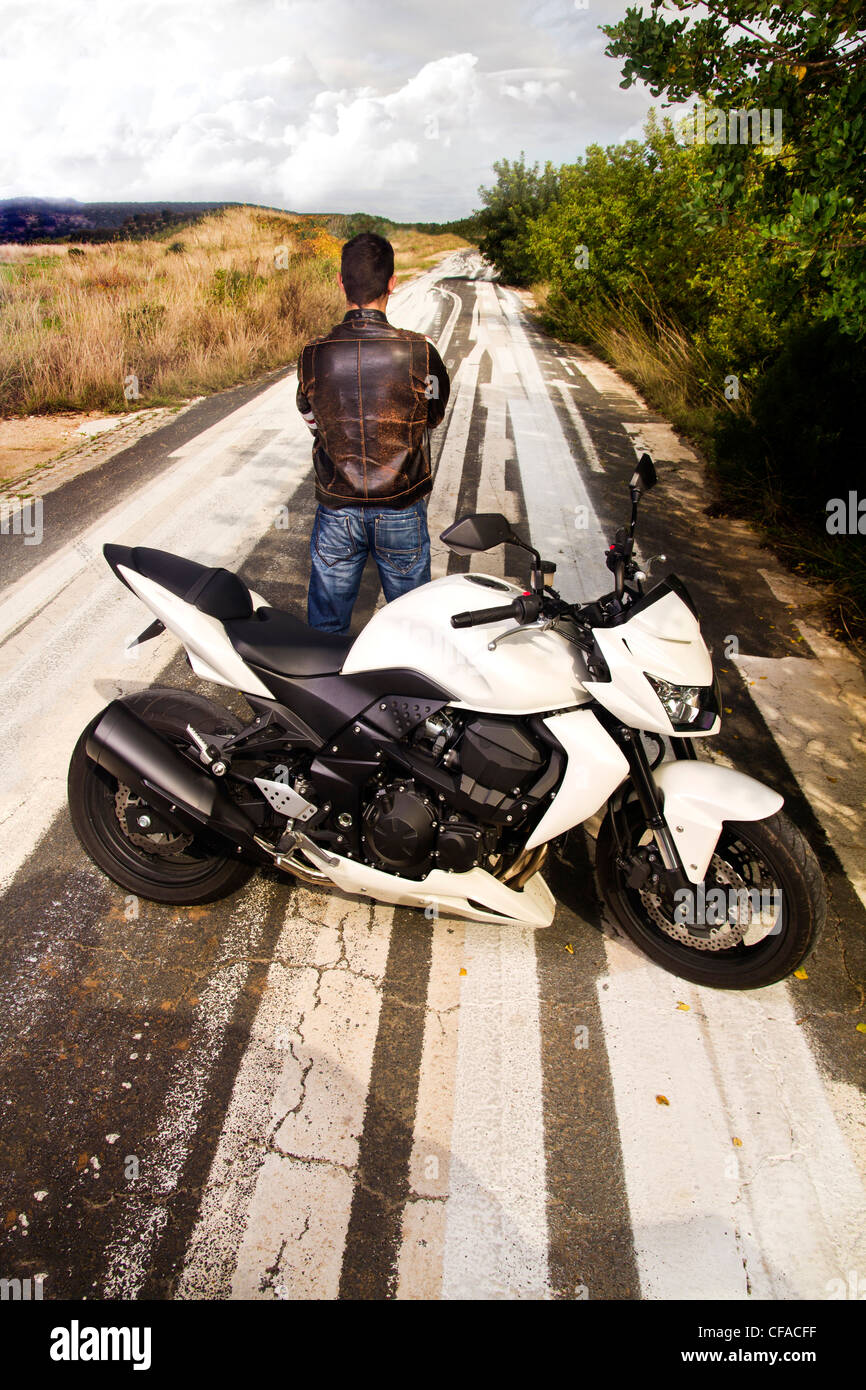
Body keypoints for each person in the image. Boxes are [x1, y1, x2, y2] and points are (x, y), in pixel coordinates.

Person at [296, 232, 451, 633]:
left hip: (337, 508)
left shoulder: (314, 354)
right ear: (392, 283)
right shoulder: (420, 352)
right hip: (401, 507)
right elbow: (432, 416)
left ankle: (326, 692)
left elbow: (311, 416)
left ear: (341, 281)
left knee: (327, 626)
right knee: (412, 627)